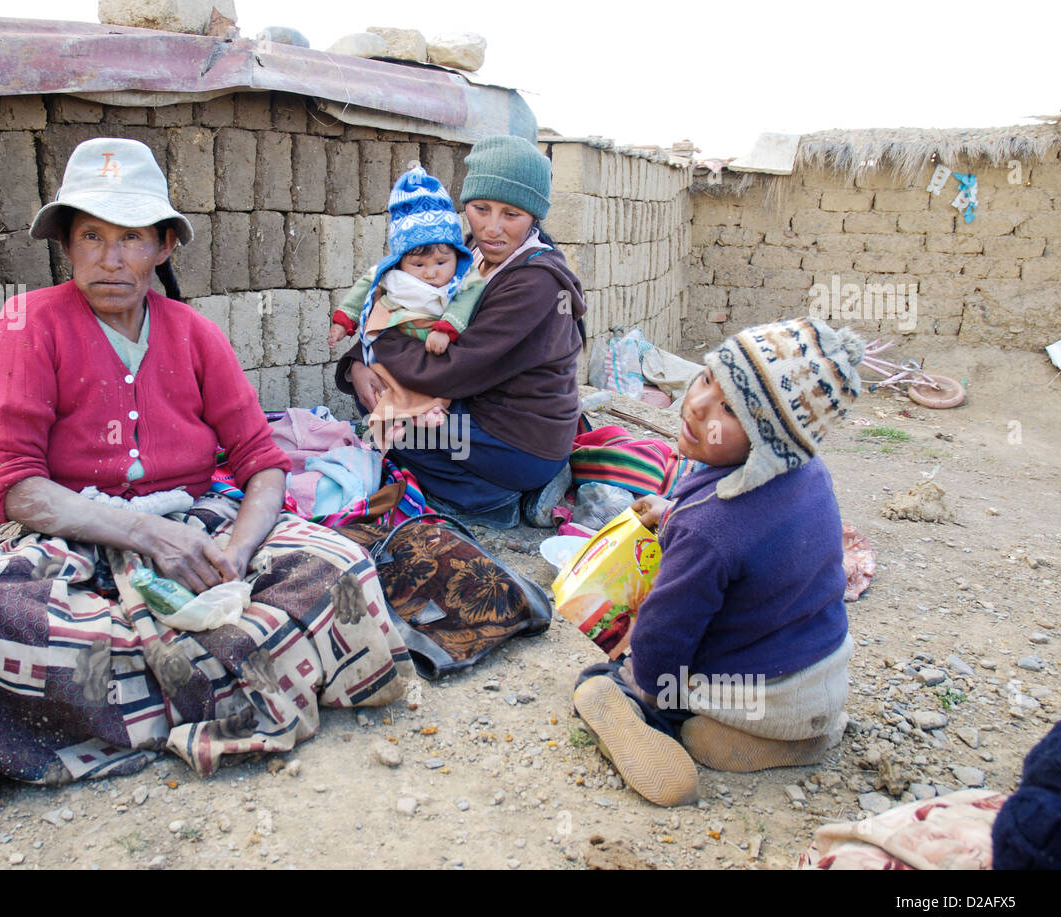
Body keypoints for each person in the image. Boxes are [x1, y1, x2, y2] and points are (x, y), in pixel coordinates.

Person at [0, 138, 413, 793]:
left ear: (163, 246)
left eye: (131, 238)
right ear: (66, 243)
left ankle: (116, 705)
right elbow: (14, 487)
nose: (110, 258)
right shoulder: (25, 325)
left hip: (198, 519)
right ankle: (207, 688)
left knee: (341, 567)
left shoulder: (195, 333)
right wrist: (147, 536)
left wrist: (232, 551)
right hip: (72, 524)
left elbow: (262, 463)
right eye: (91, 235)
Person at [572, 319, 865, 806]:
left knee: (603, 682)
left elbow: (665, 637)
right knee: (711, 712)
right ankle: (790, 735)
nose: (698, 404)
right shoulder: (807, 471)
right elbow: (757, 539)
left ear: (768, 442)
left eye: (731, 409)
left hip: (755, 691)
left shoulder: (708, 529)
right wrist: (672, 513)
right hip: (820, 674)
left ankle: (667, 733)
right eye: (708, 378)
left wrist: (638, 678)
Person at [335, 135, 587, 529]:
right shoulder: (468, 253)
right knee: (382, 403)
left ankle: (492, 501)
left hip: (520, 438)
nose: (492, 228)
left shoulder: (536, 286)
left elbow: (452, 369)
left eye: (512, 214)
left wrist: (377, 343)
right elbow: (403, 302)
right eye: (480, 209)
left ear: (534, 216)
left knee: (396, 433)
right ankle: (485, 483)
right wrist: (358, 364)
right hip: (476, 407)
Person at [328, 166, 487, 446]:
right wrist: (344, 321)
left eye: (441, 263)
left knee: (438, 378)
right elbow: (363, 290)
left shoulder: (465, 277)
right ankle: (392, 421)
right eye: (418, 264)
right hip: (395, 327)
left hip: (432, 338)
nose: (430, 273)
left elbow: (467, 298)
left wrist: (447, 328)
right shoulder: (388, 275)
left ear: (456, 255)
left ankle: (426, 413)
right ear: (401, 260)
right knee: (386, 378)